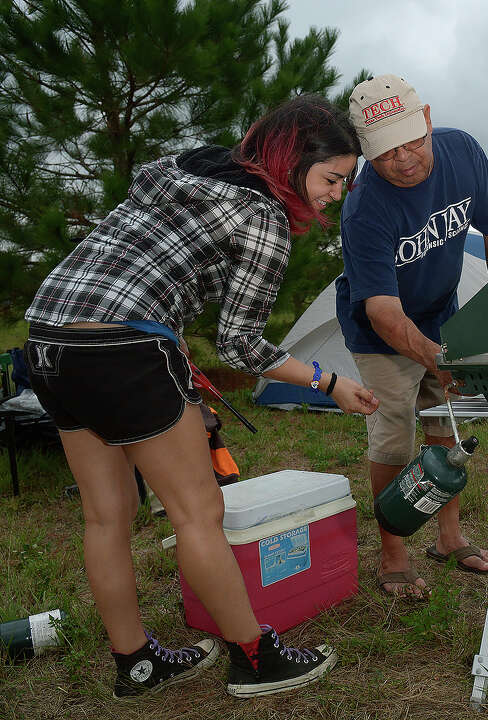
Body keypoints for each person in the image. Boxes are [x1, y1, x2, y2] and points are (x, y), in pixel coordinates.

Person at [23, 94, 379, 699]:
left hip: (48, 339)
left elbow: (148, 269)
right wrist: (329, 382)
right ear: (293, 161)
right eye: (331, 178)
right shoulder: (262, 217)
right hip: (123, 345)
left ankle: (135, 663)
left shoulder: (185, 167)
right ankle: (256, 658)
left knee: (106, 516)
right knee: (198, 513)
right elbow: (240, 343)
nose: (336, 193)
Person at [336, 74, 488, 599]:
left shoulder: (462, 152)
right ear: (367, 155)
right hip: (379, 330)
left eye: (412, 139)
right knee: (394, 431)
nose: (405, 157)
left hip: (440, 311)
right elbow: (385, 313)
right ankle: (393, 555)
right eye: (386, 151)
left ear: (428, 119)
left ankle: (448, 536)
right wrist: (439, 360)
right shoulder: (364, 205)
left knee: (447, 424)